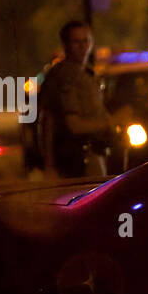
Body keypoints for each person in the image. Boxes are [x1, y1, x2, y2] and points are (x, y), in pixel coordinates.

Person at [39, 21, 112, 177]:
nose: (82, 47)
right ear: (66, 45)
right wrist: (49, 164)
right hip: (75, 158)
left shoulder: (88, 74)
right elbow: (51, 121)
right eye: (76, 42)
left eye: (86, 41)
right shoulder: (64, 76)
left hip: (93, 152)